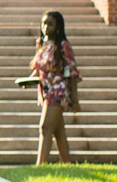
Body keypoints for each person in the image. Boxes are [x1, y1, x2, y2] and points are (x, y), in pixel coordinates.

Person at [31, 10, 80, 165]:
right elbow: (38, 70)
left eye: (50, 24)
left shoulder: (62, 45)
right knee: (59, 131)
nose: (46, 27)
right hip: (46, 91)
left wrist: (75, 99)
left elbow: (71, 72)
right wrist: (29, 80)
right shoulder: (42, 44)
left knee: (45, 127)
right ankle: (68, 164)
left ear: (58, 26)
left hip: (58, 91)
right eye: (44, 23)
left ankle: (40, 165)